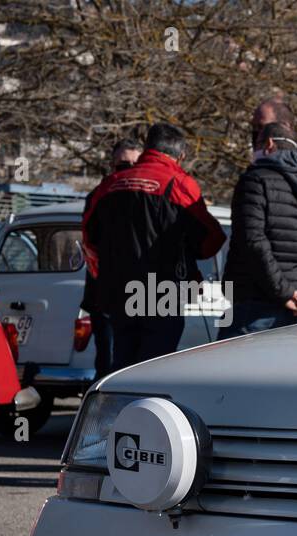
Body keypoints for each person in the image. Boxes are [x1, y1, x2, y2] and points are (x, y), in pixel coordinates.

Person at [82, 123, 226, 372]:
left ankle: (120, 409)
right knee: (155, 367)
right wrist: (187, 259)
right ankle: (146, 410)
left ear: (147, 149)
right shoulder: (180, 184)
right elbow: (212, 238)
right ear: (180, 156)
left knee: (122, 366)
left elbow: (89, 239)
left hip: (118, 293)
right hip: (163, 293)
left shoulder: (108, 186)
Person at [220, 122, 297, 337]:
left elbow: (253, 242)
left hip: (255, 304)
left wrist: (285, 292)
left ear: (269, 144)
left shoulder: (254, 181)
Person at [81, 136, 144, 378]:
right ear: (111, 165)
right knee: (107, 360)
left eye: (132, 165)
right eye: (122, 165)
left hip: (137, 291)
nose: (127, 171)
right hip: (106, 292)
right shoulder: (99, 195)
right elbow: (91, 243)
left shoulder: (145, 196)